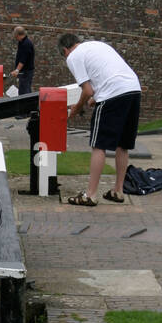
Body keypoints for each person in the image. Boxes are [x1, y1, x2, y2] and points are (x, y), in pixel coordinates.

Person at [58, 32, 142, 206]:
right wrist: (94, 99)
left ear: (65, 50)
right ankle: (118, 191)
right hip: (133, 89)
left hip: (113, 94)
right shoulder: (97, 45)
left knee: (99, 144)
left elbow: (87, 90)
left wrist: (76, 107)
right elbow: (106, 76)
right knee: (122, 144)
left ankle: (90, 194)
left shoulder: (73, 57)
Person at [11, 26, 35, 97]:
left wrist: (17, 70)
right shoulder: (22, 42)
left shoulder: (26, 44)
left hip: (26, 72)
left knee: (24, 92)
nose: (15, 38)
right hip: (24, 72)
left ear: (18, 35)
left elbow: (23, 60)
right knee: (24, 90)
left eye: (15, 36)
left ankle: (26, 107)